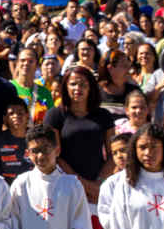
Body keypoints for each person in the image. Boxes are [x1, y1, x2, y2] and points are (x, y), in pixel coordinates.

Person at [44, 66, 116, 203]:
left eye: (83, 84)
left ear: (91, 88)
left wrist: (99, 183)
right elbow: (55, 156)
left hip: (98, 190)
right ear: (65, 87)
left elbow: (113, 155)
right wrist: (84, 185)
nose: (78, 88)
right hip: (64, 186)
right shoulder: (54, 115)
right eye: (73, 84)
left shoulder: (104, 115)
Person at [0, 96, 32, 183]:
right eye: (11, 114)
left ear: (27, 116)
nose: (16, 116)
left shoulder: (36, 138)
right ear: (5, 118)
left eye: (20, 113)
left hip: (32, 188)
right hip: (5, 189)